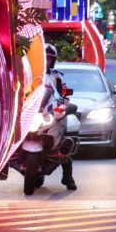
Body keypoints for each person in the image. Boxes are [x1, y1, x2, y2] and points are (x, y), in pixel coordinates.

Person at [44, 44, 77, 190]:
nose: (46, 61)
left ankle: (67, 177)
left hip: (51, 112)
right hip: (33, 111)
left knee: (66, 138)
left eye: (49, 59)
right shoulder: (28, 74)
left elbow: (64, 96)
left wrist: (64, 105)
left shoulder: (57, 76)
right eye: (43, 58)